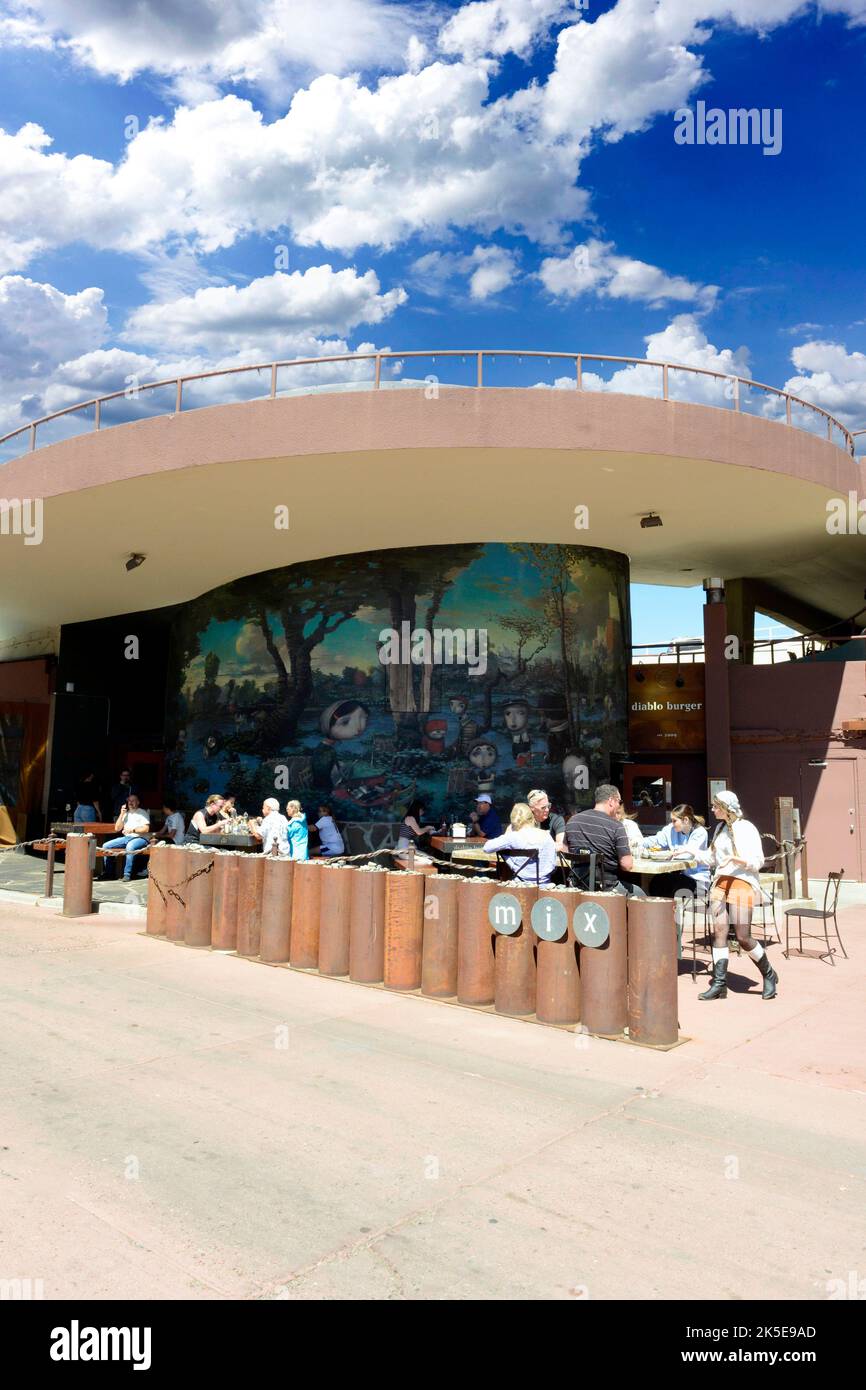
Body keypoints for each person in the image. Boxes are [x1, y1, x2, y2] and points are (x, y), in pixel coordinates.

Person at [692, 790, 778, 1002]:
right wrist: (688, 851)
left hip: (742, 882)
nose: (712, 810)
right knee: (719, 932)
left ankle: (769, 974)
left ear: (726, 807)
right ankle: (720, 984)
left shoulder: (747, 828)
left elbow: (758, 860)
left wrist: (738, 860)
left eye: (716, 806)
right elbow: (712, 859)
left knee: (742, 937)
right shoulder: (720, 828)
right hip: (721, 882)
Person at [564, 784, 635, 893]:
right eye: (619, 802)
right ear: (611, 801)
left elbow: (565, 852)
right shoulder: (616, 826)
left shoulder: (573, 820)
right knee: (641, 893)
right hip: (606, 888)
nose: (619, 806)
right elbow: (627, 865)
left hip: (575, 885)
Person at [642, 803, 710, 898]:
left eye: (674, 821)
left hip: (696, 878)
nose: (672, 824)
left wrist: (671, 854)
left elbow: (688, 854)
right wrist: (637, 842)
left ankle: (671, 910)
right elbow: (656, 840)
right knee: (656, 882)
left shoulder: (699, 832)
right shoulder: (671, 829)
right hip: (679, 875)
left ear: (685, 820)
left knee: (676, 889)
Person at [483, 802, 557, 885]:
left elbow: (487, 848)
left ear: (514, 820)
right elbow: (553, 863)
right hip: (545, 884)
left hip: (520, 885)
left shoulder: (513, 837)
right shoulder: (546, 835)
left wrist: (507, 834)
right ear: (532, 818)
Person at [102, 794, 150, 881]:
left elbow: (146, 829)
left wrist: (132, 830)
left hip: (140, 838)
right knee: (106, 846)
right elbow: (117, 828)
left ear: (138, 802)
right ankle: (109, 873)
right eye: (129, 801)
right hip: (126, 838)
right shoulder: (126, 814)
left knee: (130, 847)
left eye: (133, 800)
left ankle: (127, 875)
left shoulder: (142, 812)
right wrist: (121, 814)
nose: (130, 802)